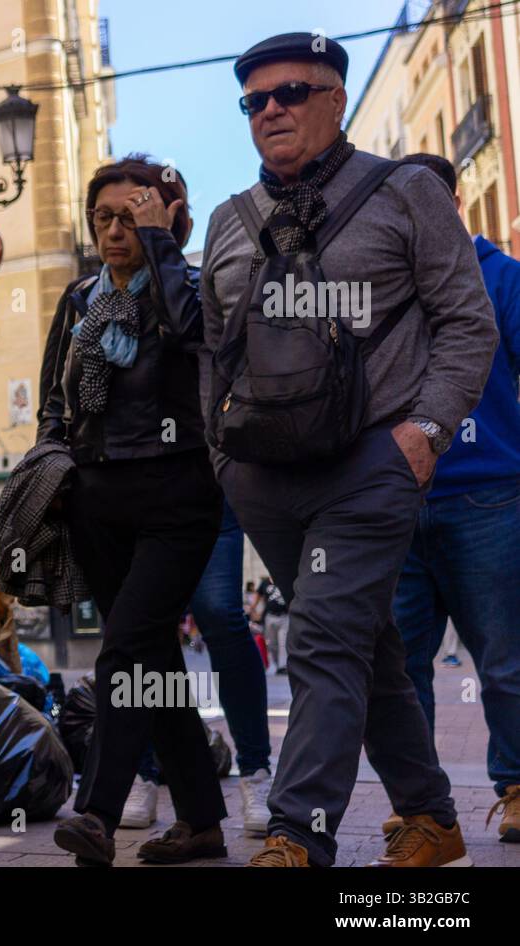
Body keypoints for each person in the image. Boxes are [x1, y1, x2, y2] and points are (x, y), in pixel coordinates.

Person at [202, 33, 497, 867]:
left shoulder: (404, 190)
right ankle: (431, 819)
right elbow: (212, 354)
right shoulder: (230, 221)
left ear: (334, 98)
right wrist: (223, 461)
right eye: (255, 101)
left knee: (324, 639)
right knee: (365, 649)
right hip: (262, 472)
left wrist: (426, 432)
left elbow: (467, 323)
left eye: (291, 92)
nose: (272, 111)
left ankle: (299, 833)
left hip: (373, 461)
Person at [43, 155, 228, 866]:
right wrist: (53, 466)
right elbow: (56, 400)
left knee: (122, 647)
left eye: (132, 215)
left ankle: (96, 812)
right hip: (95, 497)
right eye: (104, 218)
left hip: (178, 493)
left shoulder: (189, 283)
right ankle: (203, 822)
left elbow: (190, 334)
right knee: (154, 658)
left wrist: (163, 245)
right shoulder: (78, 298)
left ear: (168, 216)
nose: (115, 230)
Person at [387, 152, 520, 844]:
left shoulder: (503, 278)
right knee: (401, 668)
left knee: (504, 659)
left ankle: (518, 786)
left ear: (455, 204)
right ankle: (421, 807)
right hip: (397, 504)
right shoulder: (383, 292)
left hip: (489, 496)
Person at [120, 500, 274, 837]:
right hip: (139, 487)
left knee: (220, 613)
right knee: (144, 626)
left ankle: (255, 770)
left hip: (208, 486)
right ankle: (143, 773)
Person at [251, 575, 289, 675]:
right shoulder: (265, 582)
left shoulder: (285, 580)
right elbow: (258, 595)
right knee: (272, 643)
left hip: (284, 616)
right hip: (270, 616)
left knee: (283, 641)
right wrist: (252, 609)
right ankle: (277, 664)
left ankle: (282, 666)